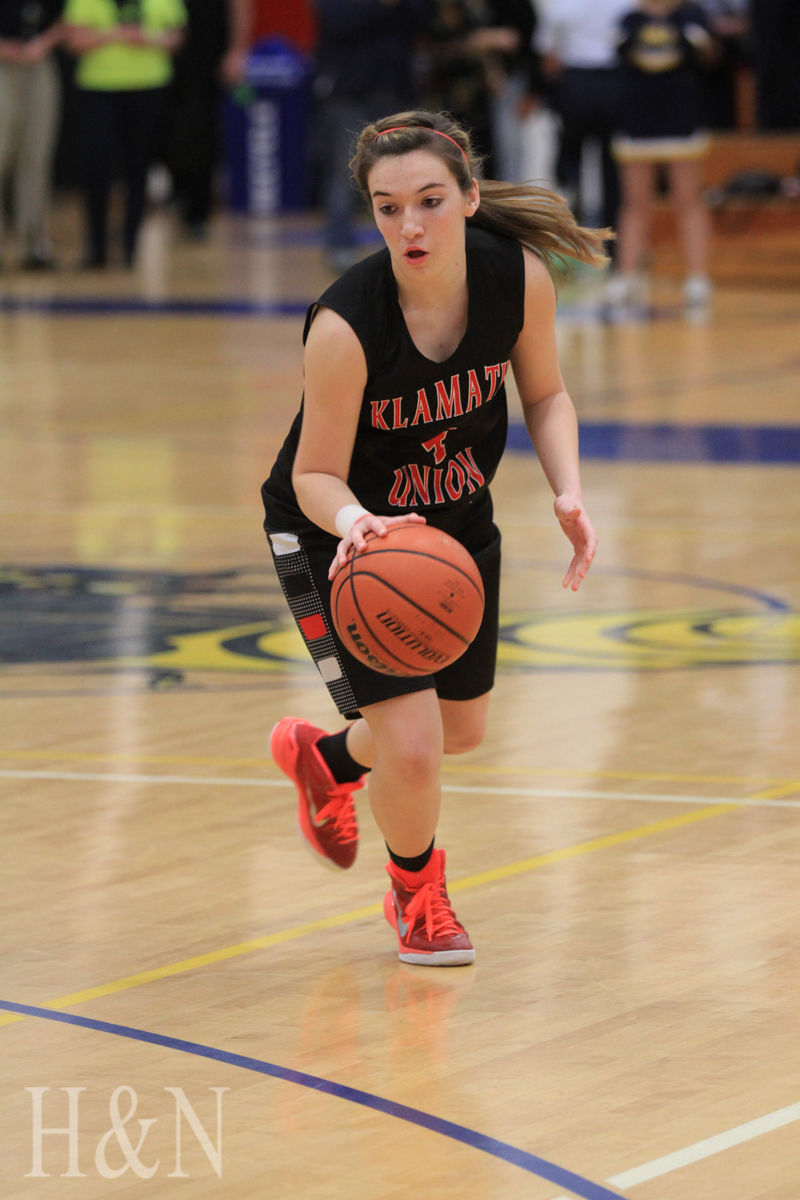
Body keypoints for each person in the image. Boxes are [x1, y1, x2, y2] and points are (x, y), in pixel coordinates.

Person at [261, 109, 604, 966]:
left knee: (458, 732)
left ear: (469, 197)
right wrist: (356, 523)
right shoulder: (345, 325)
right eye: (386, 208)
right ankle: (416, 896)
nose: (408, 226)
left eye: (429, 201)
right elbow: (312, 476)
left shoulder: (517, 277)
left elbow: (547, 394)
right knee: (413, 749)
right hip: (342, 533)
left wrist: (567, 489)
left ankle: (328, 759)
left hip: (452, 527)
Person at [605, 0, 719, 310]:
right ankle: (626, 275)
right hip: (638, 119)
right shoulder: (628, 20)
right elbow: (618, 58)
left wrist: (703, 41)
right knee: (635, 202)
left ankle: (697, 277)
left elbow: (711, 58)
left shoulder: (693, 16)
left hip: (680, 117)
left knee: (688, 198)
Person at [63, 0, 187, 268]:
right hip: (98, 87)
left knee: (138, 167)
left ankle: (131, 247)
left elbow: (176, 37)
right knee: (96, 166)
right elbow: (73, 41)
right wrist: (113, 35)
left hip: (149, 86)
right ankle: (96, 247)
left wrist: (148, 39)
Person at [311, 0, 432, 274]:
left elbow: (424, 18)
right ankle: (339, 244)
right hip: (349, 88)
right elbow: (337, 20)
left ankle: (402, 245)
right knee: (346, 171)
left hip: (396, 85)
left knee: (404, 173)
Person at [533, 0, 631, 232]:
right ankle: (611, 236)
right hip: (613, 81)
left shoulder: (560, 5)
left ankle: (569, 230)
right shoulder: (627, 4)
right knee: (612, 165)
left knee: (569, 158)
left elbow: (548, 55)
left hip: (576, 82)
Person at [162, 0, 252, 241]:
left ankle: (197, 210)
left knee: (202, 129)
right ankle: (177, 190)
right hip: (163, 46)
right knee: (166, 127)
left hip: (208, 47)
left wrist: (238, 49)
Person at [0, 0, 64, 270]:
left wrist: (43, 44)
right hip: (3, 65)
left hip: (39, 62)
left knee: (36, 154)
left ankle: (32, 240)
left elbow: (69, 16)